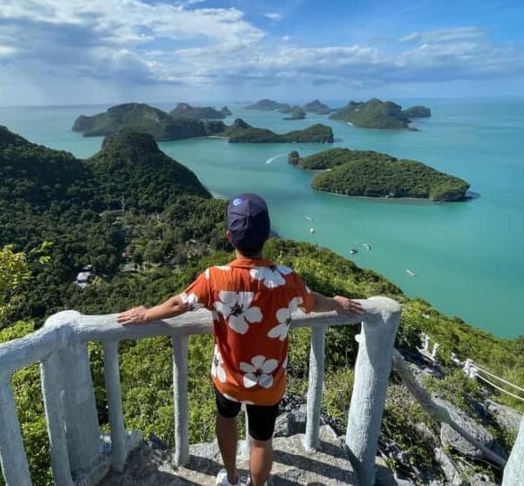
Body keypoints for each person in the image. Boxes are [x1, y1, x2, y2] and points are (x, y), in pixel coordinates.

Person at [118, 193, 364, 486]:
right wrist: (337, 302)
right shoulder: (287, 280)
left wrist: (146, 314)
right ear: (266, 236)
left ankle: (232, 478)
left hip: (229, 377)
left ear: (229, 237)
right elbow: (313, 302)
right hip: (268, 381)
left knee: (226, 421)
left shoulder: (215, 278)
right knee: (262, 441)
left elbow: (177, 304)